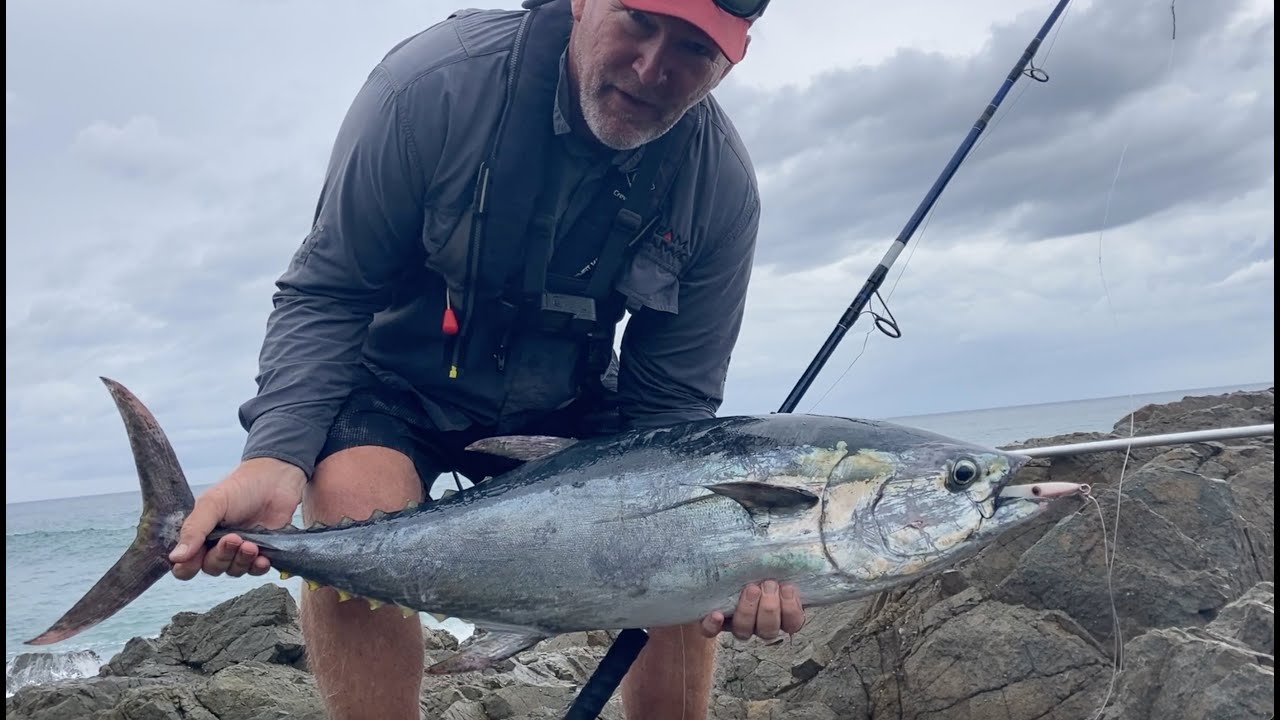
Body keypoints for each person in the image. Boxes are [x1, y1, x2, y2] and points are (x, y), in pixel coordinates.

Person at [167, 0, 805, 717]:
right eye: (636, 19)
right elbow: (330, 292)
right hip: (396, 388)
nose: (653, 67)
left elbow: (672, 415)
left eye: (694, 49)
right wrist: (276, 455)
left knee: (693, 542)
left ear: (731, 62)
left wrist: (735, 560)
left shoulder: (718, 186)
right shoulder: (432, 86)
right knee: (350, 495)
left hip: (571, 399)